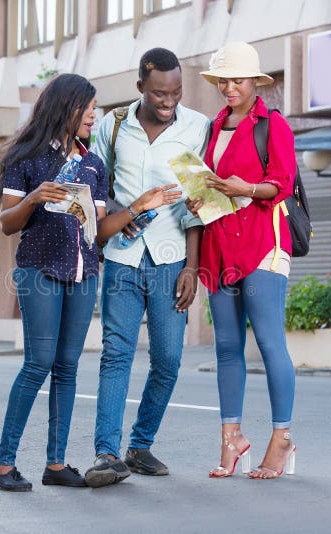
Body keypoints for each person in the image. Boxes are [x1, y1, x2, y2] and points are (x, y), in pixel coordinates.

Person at [84, 48, 210, 488]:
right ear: (141, 86)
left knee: (169, 359)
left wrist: (193, 268)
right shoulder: (112, 126)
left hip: (171, 259)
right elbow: (97, 188)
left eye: (176, 92)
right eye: (159, 93)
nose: (169, 101)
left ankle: (140, 445)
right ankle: (106, 453)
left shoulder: (197, 127)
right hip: (121, 257)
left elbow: (197, 203)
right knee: (116, 355)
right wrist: (127, 211)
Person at [0, 74, 107, 492]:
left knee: (68, 367)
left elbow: (99, 228)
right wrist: (34, 197)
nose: (95, 114)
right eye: (88, 107)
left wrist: (137, 212)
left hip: (83, 272)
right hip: (38, 270)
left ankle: (55, 464)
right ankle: (5, 465)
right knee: (38, 363)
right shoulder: (27, 157)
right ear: (66, 107)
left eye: (96, 107)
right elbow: (6, 223)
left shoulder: (93, 163)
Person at [188, 41, 297, 479]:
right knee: (228, 348)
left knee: (270, 345)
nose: (229, 87)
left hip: (262, 245)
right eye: (223, 80)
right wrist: (203, 199)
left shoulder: (273, 124)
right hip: (220, 244)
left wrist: (243, 188)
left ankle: (282, 438)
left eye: (237, 79)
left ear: (255, 81)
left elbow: (281, 184)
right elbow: (214, 182)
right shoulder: (215, 126)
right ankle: (231, 438)